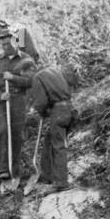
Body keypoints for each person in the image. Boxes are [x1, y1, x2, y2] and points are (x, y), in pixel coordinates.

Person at [0, 24, 38, 182]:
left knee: (16, 134)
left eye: (9, 44)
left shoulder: (26, 60)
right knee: (1, 131)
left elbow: (32, 81)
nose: (6, 47)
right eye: (3, 45)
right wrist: (0, 95)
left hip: (18, 101)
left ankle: (15, 169)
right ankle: (3, 169)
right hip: (1, 102)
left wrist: (13, 78)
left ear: (16, 41)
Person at [29, 65, 80, 193]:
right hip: (69, 109)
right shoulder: (55, 71)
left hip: (58, 111)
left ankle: (61, 182)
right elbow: (72, 84)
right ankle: (47, 176)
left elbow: (41, 102)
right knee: (49, 141)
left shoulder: (37, 77)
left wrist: (42, 112)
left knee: (58, 145)